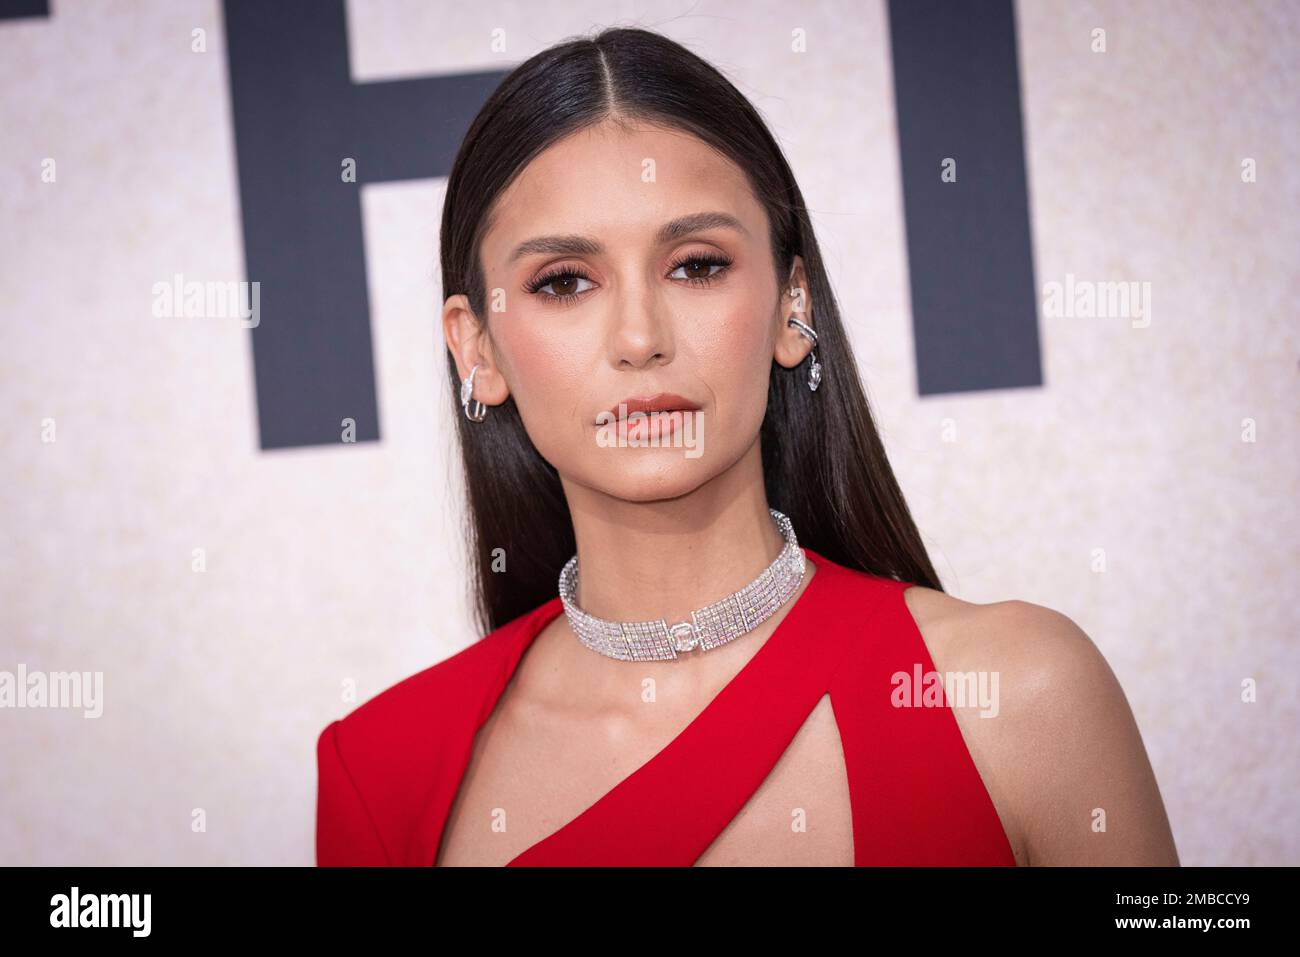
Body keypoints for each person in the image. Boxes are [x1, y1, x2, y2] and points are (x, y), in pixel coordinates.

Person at [315, 26, 1179, 867]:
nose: (640, 337)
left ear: (790, 302)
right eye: (564, 281)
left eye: (695, 264)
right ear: (477, 348)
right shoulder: (384, 769)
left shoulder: (1016, 693)